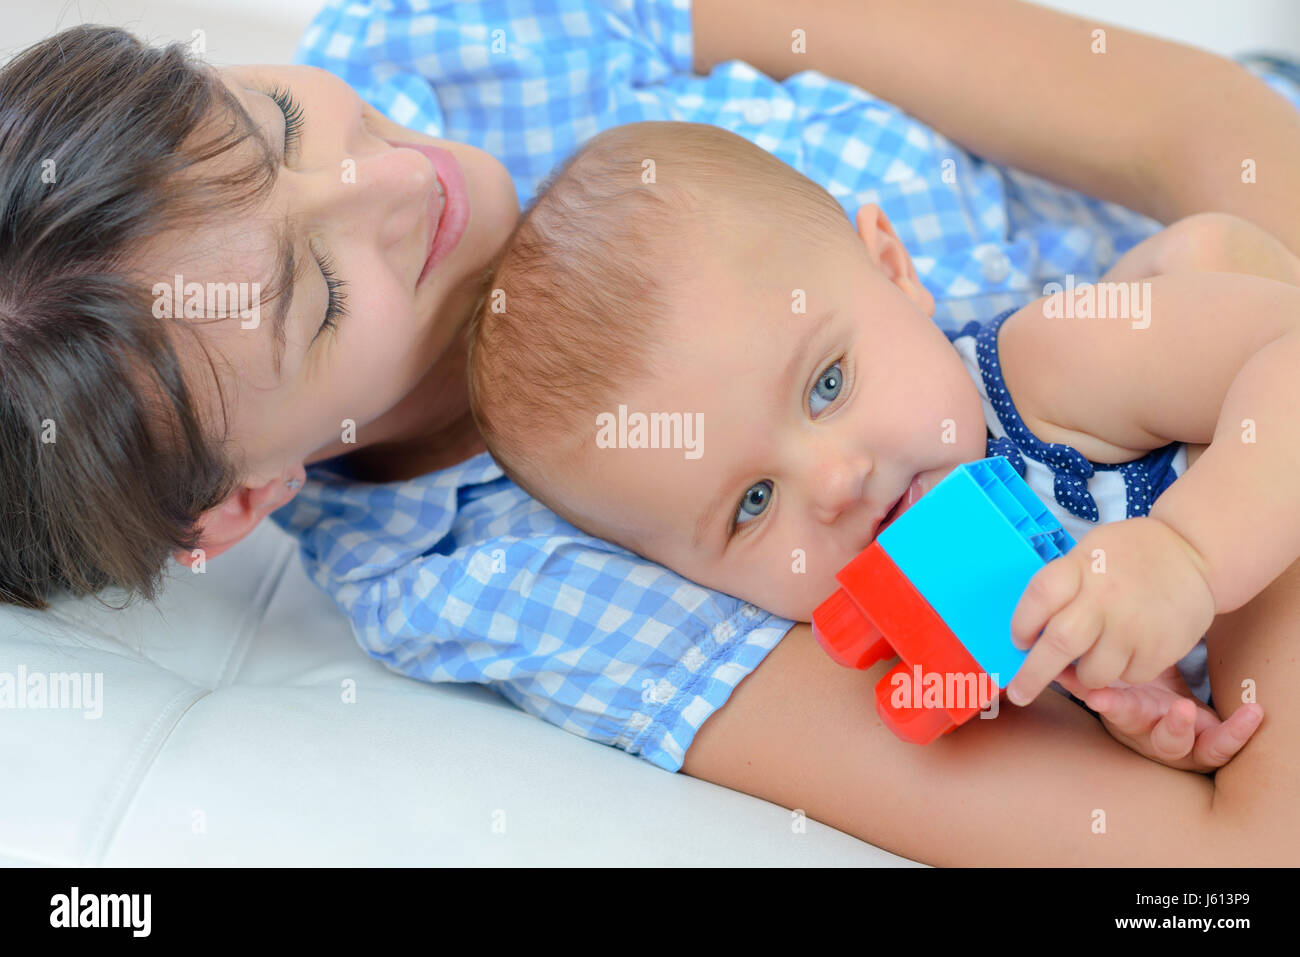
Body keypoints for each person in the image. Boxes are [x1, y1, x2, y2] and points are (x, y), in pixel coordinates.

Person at [3, 0, 1299, 864]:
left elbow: (1204, 131)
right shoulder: (505, 576)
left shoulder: (457, 27)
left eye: (276, 125)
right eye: (322, 299)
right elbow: (1223, 842)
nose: (400, 175)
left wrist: (1221, 457)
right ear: (234, 506)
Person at [467, 117, 1300, 771]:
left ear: (895, 270)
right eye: (752, 505)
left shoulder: (1046, 373)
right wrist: (1148, 705)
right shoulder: (932, 624)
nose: (835, 483)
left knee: (1208, 259)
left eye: (827, 383)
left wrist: (1188, 554)